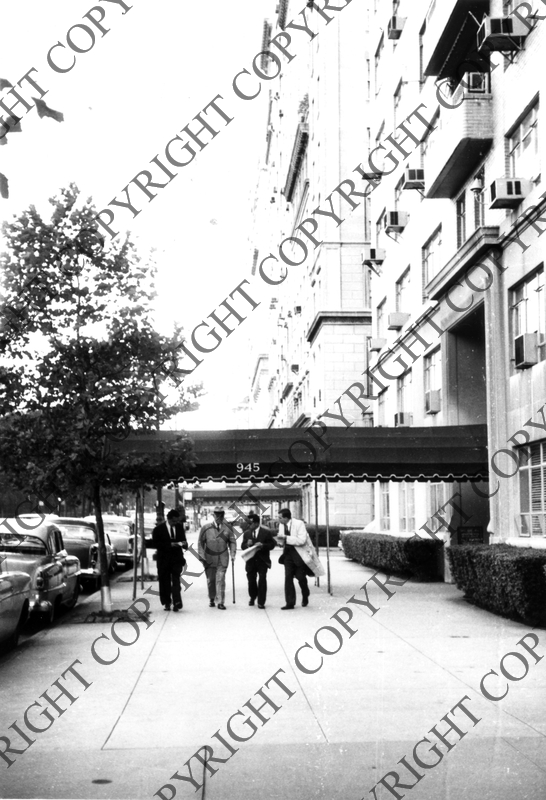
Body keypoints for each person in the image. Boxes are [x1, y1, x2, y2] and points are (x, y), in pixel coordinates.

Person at [198, 506, 237, 610]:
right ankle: (212, 598)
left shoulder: (228, 528)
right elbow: (200, 543)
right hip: (209, 559)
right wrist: (201, 556)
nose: (219, 517)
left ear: (223, 515)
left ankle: (220, 602)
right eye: (217, 515)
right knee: (211, 580)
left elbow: (232, 542)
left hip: (222, 559)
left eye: (221, 515)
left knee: (220, 579)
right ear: (213, 515)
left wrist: (233, 554)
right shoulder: (205, 528)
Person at [152, 509, 188, 612]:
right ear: (168, 519)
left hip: (176, 559)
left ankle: (177, 602)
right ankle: (167, 602)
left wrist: (184, 544)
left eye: (177, 521)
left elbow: (184, 542)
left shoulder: (179, 527)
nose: (175, 523)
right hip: (164, 560)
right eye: (174, 521)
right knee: (164, 582)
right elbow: (155, 544)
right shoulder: (158, 529)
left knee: (176, 581)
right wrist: (169, 545)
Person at [276, 508, 311, 610]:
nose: (279, 520)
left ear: (286, 518)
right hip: (287, 555)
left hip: (299, 555)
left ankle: (305, 593)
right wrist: (280, 542)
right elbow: (282, 539)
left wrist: (286, 538)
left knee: (300, 577)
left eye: (280, 518)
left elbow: (301, 540)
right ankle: (290, 603)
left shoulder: (299, 524)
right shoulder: (281, 526)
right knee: (288, 578)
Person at [241, 513, 276, 609]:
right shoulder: (247, 533)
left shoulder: (266, 532)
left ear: (256, 523)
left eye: (250, 523)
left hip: (262, 560)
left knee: (262, 580)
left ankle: (261, 601)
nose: (248, 525)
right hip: (250, 561)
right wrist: (247, 545)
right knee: (251, 580)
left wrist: (263, 545)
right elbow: (242, 546)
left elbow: (272, 545)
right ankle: (252, 597)